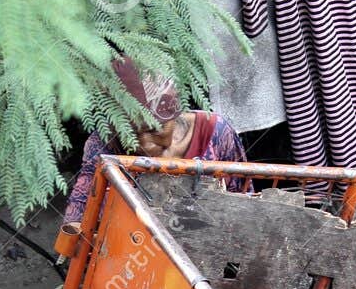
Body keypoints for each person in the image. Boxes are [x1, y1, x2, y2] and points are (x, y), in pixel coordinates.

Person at [60, 57, 251, 234]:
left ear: (175, 116)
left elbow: (245, 200)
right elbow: (79, 212)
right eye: (130, 132)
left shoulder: (214, 132)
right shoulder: (104, 142)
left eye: (154, 130)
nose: (143, 144)